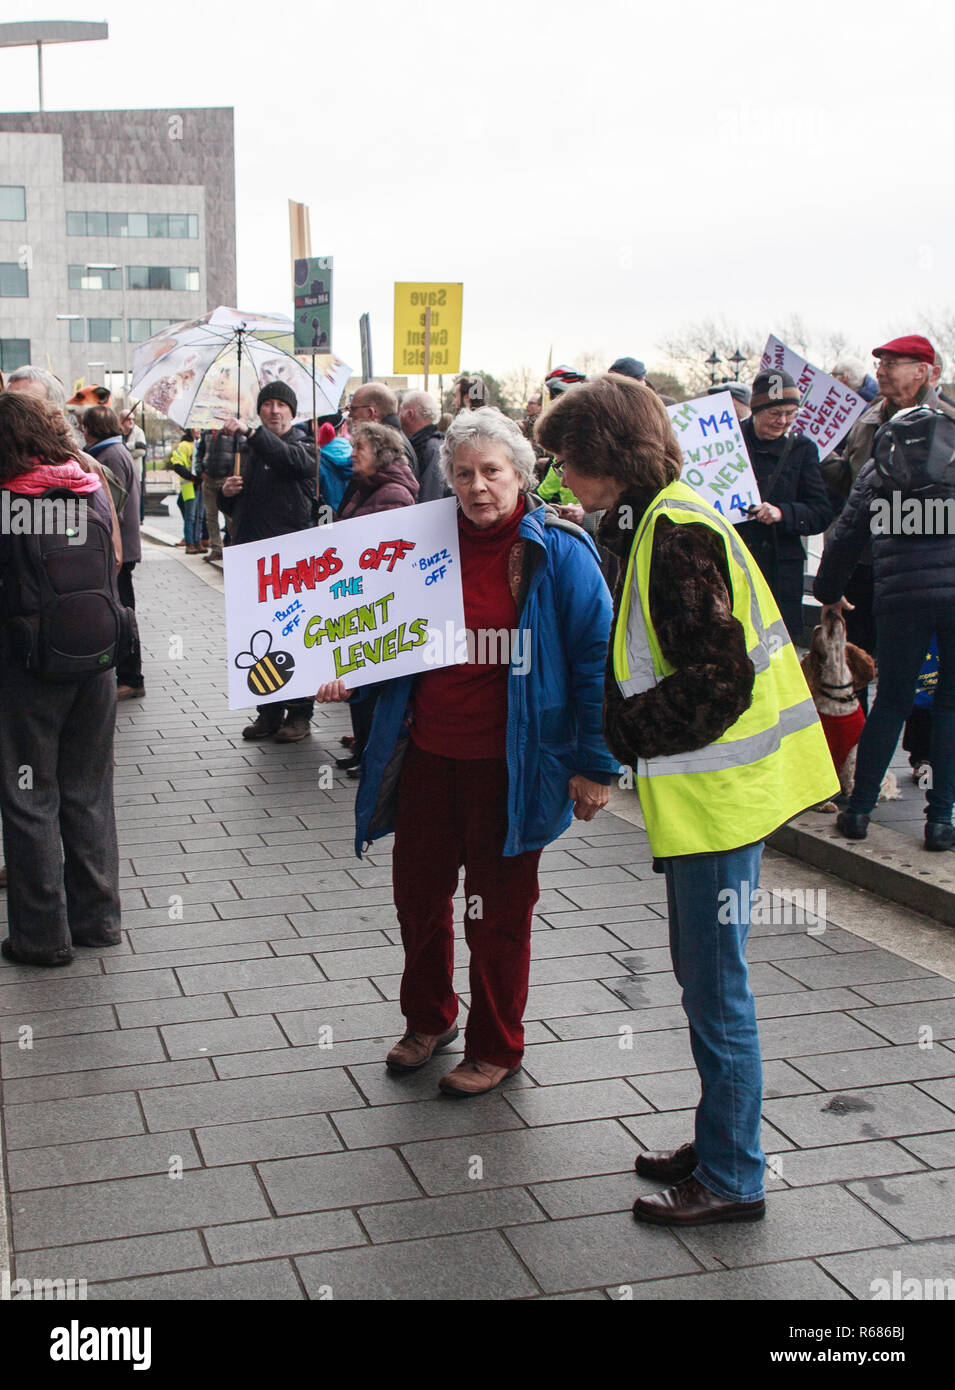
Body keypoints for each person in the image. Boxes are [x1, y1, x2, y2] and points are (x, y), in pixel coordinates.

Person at [537, 373, 837, 1226]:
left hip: (718, 802)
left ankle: (734, 1175)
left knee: (713, 990)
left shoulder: (672, 534)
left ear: (605, 454)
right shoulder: (664, 517)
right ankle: (720, 1140)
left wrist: (622, 736)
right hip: (721, 797)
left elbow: (718, 679)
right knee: (708, 982)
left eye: (566, 460)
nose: (561, 477)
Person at [316, 408, 618, 1095]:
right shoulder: (422, 544)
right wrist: (345, 672)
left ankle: (496, 1045)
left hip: (513, 768)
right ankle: (429, 1019)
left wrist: (596, 766)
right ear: (446, 477)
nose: (477, 486)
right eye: (462, 472)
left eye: (491, 471)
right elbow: (383, 634)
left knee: (497, 914)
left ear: (520, 474)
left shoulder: (559, 552)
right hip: (426, 754)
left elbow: (596, 663)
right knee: (417, 898)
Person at [0, 391, 124, 966]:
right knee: (89, 789)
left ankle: (41, 936)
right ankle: (98, 920)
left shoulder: (7, 503)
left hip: (26, 671)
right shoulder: (89, 487)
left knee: (29, 797)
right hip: (96, 663)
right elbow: (116, 565)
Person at [814, 405, 955, 851]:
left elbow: (845, 536)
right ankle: (940, 821)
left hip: (899, 601)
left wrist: (829, 591)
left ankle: (859, 813)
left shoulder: (879, 471)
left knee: (891, 703)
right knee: (950, 707)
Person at [821, 335, 955, 671]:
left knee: (923, 684)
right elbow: (852, 484)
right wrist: (820, 458)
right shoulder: (867, 419)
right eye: (880, 364)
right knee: (857, 666)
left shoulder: (948, 423)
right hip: (864, 563)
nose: (880, 371)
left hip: (921, 569)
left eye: (891, 364)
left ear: (922, 372)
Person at [219, 381, 318, 743]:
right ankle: (269, 710)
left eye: (281, 405)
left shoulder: (304, 445)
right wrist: (225, 495)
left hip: (290, 564)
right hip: (251, 559)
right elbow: (241, 503)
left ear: (292, 413)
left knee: (293, 637)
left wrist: (252, 432)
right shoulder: (249, 449)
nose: (274, 411)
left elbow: (291, 463)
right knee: (259, 638)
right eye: (267, 405)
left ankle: (299, 714)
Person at [331, 422, 419, 776]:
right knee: (358, 677)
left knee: (371, 684)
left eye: (359, 448)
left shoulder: (392, 493)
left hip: (375, 603)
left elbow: (373, 548)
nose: (352, 454)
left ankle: (372, 758)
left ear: (380, 453)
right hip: (359, 598)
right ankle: (363, 752)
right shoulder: (369, 486)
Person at [735, 369, 833, 642]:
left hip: (780, 569)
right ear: (756, 409)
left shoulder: (803, 449)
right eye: (775, 413)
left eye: (791, 413)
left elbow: (821, 512)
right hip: (735, 559)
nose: (783, 421)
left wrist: (783, 513)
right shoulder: (730, 442)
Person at [81, 404, 145, 700]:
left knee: (123, 613)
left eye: (84, 427)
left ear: (92, 430)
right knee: (123, 609)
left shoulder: (109, 456)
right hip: (122, 548)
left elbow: (112, 509)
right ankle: (129, 675)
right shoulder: (114, 452)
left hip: (119, 550)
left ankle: (131, 677)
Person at [346, 383, 418, 476]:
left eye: (353, 409)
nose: (349, 415)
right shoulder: (392, 442)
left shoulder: (394, 447)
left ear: (370, 412)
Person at [398, 390, 449, 503]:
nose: (398, 417)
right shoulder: (425, 444)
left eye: (400, 412)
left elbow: (431, 496)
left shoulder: (433, 447)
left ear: (410, 414)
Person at [168, 429, 204, 552]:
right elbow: (177, 465)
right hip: (189, 485)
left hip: (201, 484)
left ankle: (197, 541)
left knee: (200, 515)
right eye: (196, 427)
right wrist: (192, 477)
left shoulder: (201, 443)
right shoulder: (184, 446)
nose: (199, 430)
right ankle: (190, 543)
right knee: (191, 516)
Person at [316, 412, 353, 516]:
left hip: (327, 518)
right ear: (342, 428)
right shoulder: (358, 456)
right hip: (353, 516)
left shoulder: (316, 461)